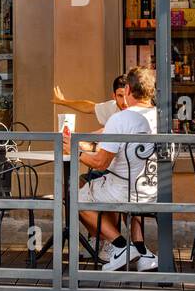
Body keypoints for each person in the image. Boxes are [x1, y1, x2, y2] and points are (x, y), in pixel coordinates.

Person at [64, 66, 159, 272]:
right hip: (153, 190)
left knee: (76, 197)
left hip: (124, 190)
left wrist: (75, 151)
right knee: (122, 190)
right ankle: (141, 250)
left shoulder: (121, 118)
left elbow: (100, 163)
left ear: (129, 90)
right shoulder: (161, 117)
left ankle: (119, 246)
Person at [51, 75, 129, 132]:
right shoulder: (111, 107)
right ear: (114, 96)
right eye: (120, 96)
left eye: (127, 95)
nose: (125, 102)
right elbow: (88, 107)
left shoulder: (139, 111)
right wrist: (63, 101)